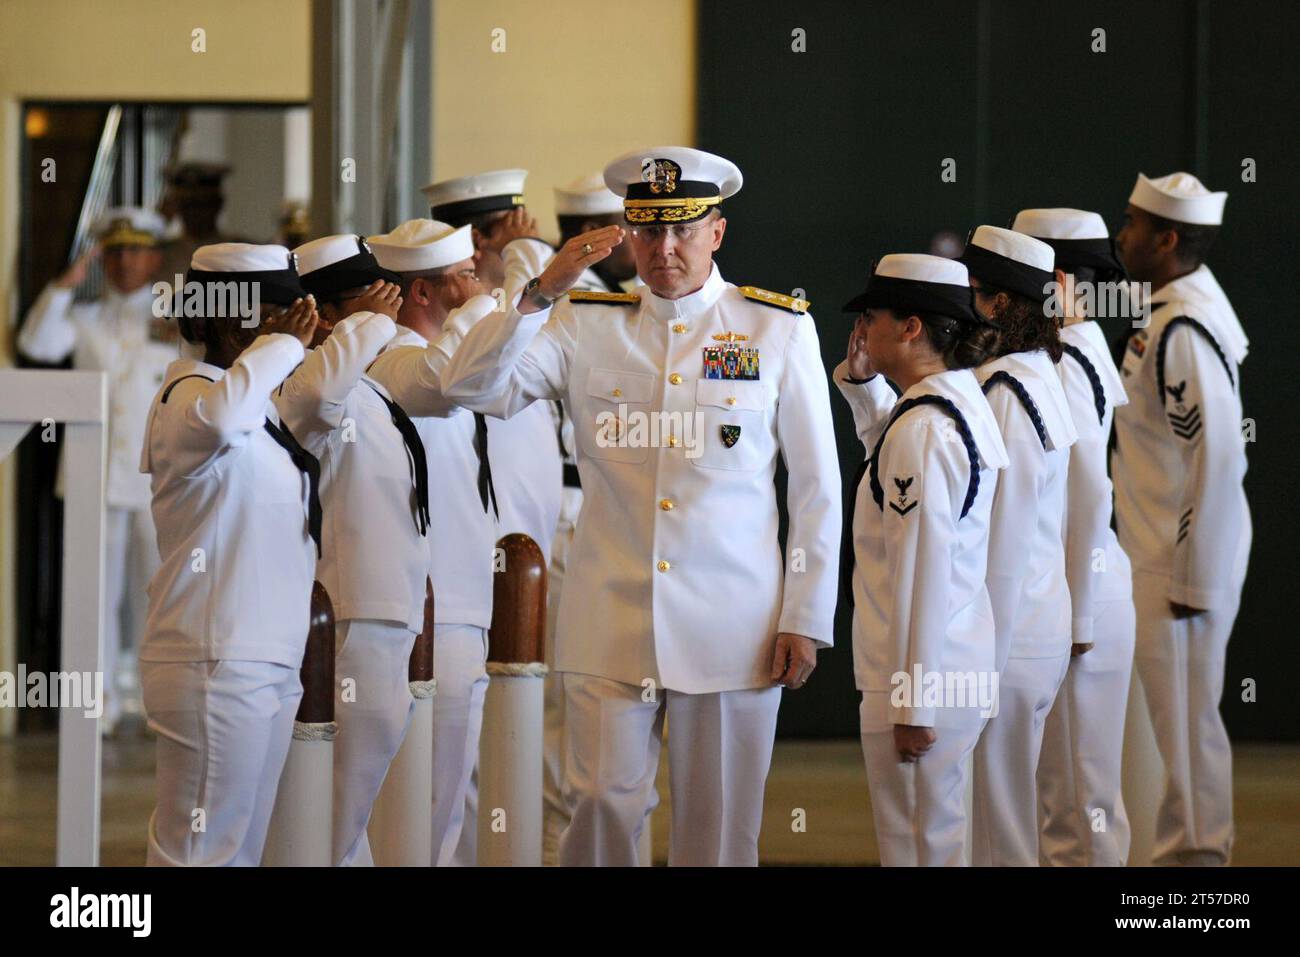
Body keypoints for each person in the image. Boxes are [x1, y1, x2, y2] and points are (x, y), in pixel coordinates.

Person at [439, 146, 842, 866]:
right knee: (596, 808)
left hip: (733, 625)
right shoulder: (583, 323)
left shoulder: (776, 329)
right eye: (648, 230)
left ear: (716, 231)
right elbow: (470, 387)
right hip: (609, 617)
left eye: (683, 229)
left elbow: (816, 486)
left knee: (716, 835)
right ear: (627, 232)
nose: (665, 249)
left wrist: (805, 616)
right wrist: (536, 293)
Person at [138, 243, 321, 865]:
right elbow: (218, 423)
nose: (296, 324)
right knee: (199, 852)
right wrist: (284, 347)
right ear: (226, 316)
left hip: (262, 653)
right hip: (212, 657)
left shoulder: (258, 407)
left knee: (237, 851)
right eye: (278, 312)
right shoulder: (186, 397)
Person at [834, 254, 1007, 866]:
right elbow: (897, 461)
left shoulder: (925, 428)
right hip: (949, 664)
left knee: (916, 849)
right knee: (932, 843)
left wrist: (912, 703)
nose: (862, 329)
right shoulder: (951, 402)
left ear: (910, 327)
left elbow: (922, 572)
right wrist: (863, 390)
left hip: (917, 677)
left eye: (872, 316)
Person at [500, 170, 645, 865]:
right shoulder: (571, 308)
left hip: (610, 510)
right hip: (561, 512)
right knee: (563, 692)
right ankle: (562, 835)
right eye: (619, 233)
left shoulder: (645, 304)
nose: (634, 244)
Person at [422, 168, 564, 864]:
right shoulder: (471, 323)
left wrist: (525, 262)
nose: (528, 238)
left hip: (530, 556)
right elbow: (505, 335)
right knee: (464, 763)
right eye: (509, 231)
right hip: (477, 563)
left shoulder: (518, 307)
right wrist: (525, 261)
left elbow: (546, 315)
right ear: (476, 243)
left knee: (516, 741)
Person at [277, 234, 429, 867]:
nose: (389, 309)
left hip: (386, 614)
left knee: (353, 810)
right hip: (350, 615)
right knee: (334, 808)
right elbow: (310, 401)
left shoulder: (365, 386)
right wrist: (369, 324)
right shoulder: (305, 380)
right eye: (374, 298)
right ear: (326, 314)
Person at [1112, 172, 1250, 866]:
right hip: (1157, 553)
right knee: (1177, 732)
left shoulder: (1185, 327)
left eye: (1133, 224)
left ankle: (1199, 876)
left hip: (1179, 562)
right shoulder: (1168, 311)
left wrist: (1193, 578)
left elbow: (1220, 456)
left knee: (1189, 734)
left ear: (1166, 239)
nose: (1121, 234)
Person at [364, 219, 502, 866]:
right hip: (426, 613)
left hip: (462, 607)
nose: (478, 281)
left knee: (444, 806)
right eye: (463, 276)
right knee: (411, 814)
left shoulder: (452, 351)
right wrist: (483, 306)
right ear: (423, 292)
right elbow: (439, 381)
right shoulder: (388, 361)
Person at [1012, 208, 1136, 866]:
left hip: (1080, 591)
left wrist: (1078, 613)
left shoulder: (1066, 355)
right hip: (1071, 586)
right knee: (1062, 805)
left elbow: (1091, 488)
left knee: (1078, 812)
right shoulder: (1070, 346)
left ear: (1052, 279)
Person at [18, 207, 173, 732]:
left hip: (159, 477)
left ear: (154, 256)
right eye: (115, 250)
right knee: (93, 593)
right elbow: (36, 344)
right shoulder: (82, 319)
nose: (125, 260)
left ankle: (159, 701)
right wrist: (66, 285)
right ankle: (96, 702)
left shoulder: (175, 315)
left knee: (160, 591)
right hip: (96, 473)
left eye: (135, 249)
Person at [958, 225, 1078, 866]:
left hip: (1008, 640)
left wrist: (982, 666)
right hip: (1037, 626)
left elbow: (1000, 548)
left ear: (1000, 303)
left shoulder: (1006, 389)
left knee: (997, 831)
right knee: (1006, 819)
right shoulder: (1037, 374)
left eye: (972, 293)